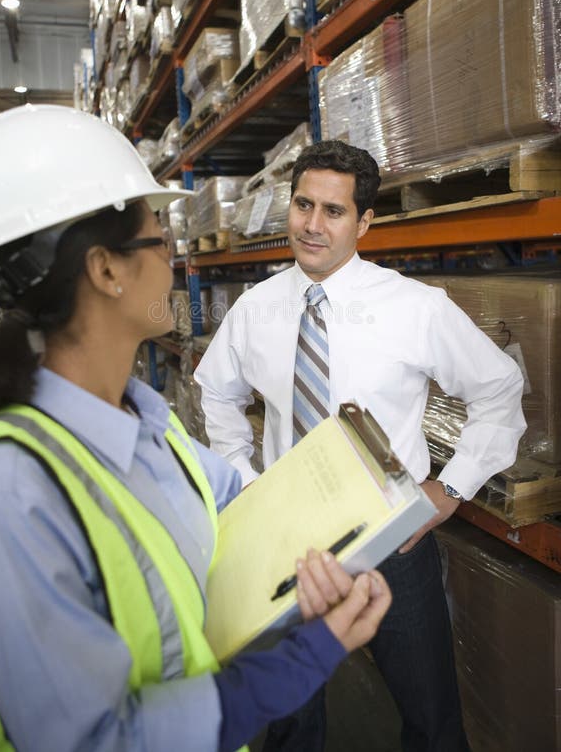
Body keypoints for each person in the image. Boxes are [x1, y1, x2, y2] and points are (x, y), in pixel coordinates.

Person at [0, 109, 393, 752]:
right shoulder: (6, 493)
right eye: (159, 235)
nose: (175, 256)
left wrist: (345, 551)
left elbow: (245, 531)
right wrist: (305, 657)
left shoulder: (151, 431)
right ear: (107, 270)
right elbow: (97, 740)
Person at [194, 139, 527, 752]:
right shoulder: (256, 309)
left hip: (393, 540)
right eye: (302, 205)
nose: (312, 226)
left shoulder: (413, 309)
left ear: (365, 221)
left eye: (334, 211)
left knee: (431, 717)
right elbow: (215, 391)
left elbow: (500, 389)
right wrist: (246, 477)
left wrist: (451, 489)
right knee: (290, 719)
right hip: (284, 541)